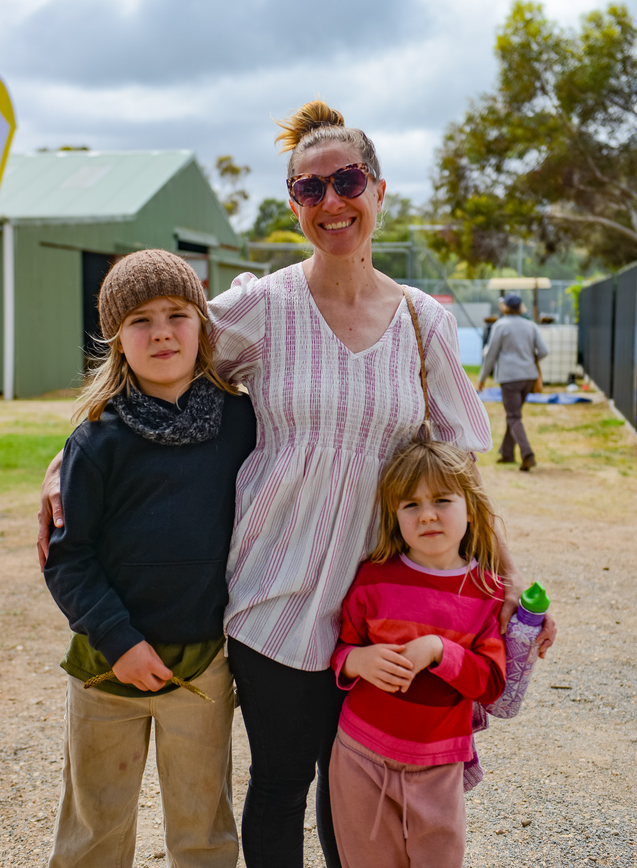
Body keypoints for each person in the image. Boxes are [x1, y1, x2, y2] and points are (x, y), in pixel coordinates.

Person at [38, 101, 556, 868]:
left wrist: (504, 580)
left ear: (378, 190)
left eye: (347, 180)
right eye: (310, 189)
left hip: (382, 594)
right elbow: (155, 354)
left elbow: (461, 466)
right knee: (281, 780)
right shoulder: (262, 308)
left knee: (355, 783)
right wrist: (62, 460)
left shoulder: (424, 324)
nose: (331, 201)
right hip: (272, 592)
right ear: (295, 206)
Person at [43, 250, 256, 868]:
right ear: (115, 339)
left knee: (204, 833)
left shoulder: (245, 421)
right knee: (95, 833)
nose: (161, 331)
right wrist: (118, 640)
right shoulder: (97, 439)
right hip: (108, 669)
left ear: (203, 325)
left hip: (203, 666)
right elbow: (69, 557)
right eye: (139, 320)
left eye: (176, 314)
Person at [329, 439, 506, 868]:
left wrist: (439, 650)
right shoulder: (372, 577)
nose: (426, 514)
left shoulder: (487, 592)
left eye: (442, 500)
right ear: (394, 515)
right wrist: (357, 661)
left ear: (470, 507)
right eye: (410, 504)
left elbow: (491, 683)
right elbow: (339, 648)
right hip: (359, 757)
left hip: (439, 764)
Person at [477, 293, 549, 471]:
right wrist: (530, 360)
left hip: (510, 378)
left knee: (513, 416)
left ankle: (527, 455)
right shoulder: (530, 325)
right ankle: (507, 454)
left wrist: (482, 379)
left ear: (506, 307)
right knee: (515, 414)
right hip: (529, 377)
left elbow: (491, 355)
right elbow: (544, 351)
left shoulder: (500, 326)